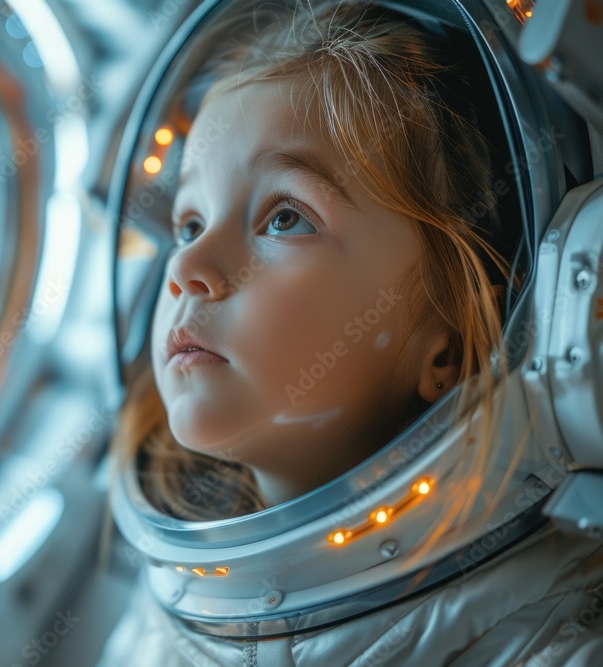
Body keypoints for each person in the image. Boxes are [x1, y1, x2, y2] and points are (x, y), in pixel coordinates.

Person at [97, 2, 603, 665]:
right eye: (189, 224)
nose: (187, 267)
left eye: (284, 218)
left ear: (445, 345)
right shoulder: (162, 613)